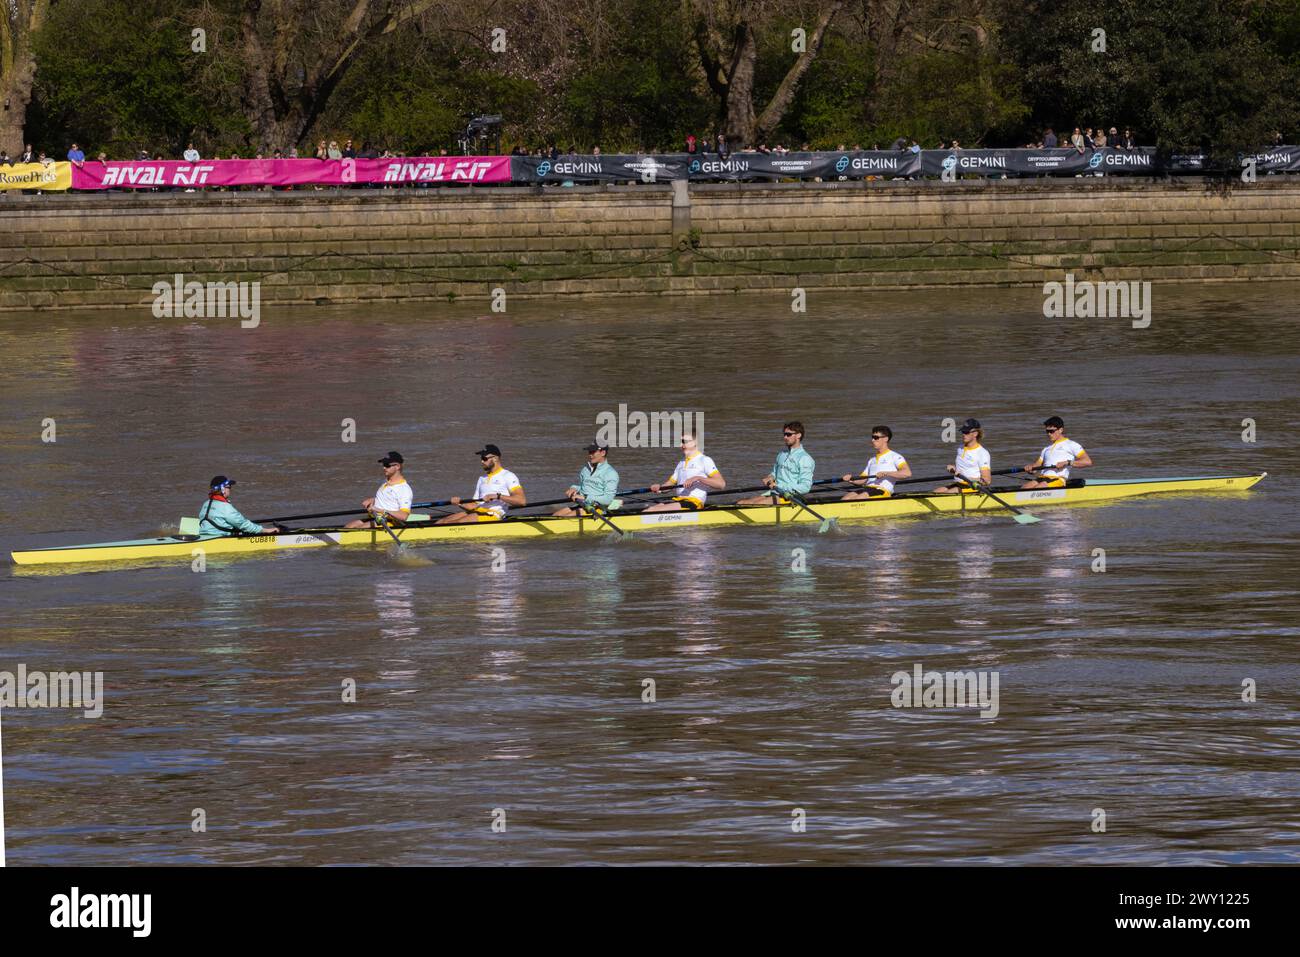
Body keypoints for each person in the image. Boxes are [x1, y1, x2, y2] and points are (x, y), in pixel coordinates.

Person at [436, 444, 526, 524]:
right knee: (443, 521)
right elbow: (474, 505)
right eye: (481, 459)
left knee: (456, 523)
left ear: (495, 458)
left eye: (484, 458)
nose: (482, 461)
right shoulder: (482, 479)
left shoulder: (508, 476)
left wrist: (497, 496)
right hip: (478, 512)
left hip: (493, 515)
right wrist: (459, 503)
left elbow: (521, 501)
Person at [737, 421, 814, 505]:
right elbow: (774, 473)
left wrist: (779, 486)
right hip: (775, 492)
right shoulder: (782, 454)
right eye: (784, 434)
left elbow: (805, 487)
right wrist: (770, 477)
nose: (785, 437)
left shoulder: (805, 458)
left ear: (799, 435)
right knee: (741, 503)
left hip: (791, 497)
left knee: (752, 506)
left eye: (788, 434)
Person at [644, 433, 725, 512]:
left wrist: (698, 478)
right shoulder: (681, 463)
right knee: (649, 510)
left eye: (683, 442)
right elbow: (669, 484)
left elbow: (721, 484)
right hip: (679, 501)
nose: (680, 445)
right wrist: (660, 488)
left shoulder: (704, 460)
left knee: (652, 511)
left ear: (695, 442)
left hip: (694, 503)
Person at [344, 451, 413, 528]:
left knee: (358, 529)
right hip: (376, 517)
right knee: (349, 526)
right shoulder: (386, 482)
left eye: (387, 465)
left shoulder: (404, 489)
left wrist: (379, 510)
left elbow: (404, 516)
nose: (384, 468)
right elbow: (388, 498)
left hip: (390, 522)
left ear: (397, 466)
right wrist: (373, 499)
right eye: (383, 465)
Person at [1021, 417, 1092, 489]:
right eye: (1047, 431)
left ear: (1060, 430)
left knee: (1040, 487)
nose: (1049, 434)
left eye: (1051, 431)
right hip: (1042, 478)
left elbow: (1087, 462)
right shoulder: (1046, 449)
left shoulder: (1071, 444)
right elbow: (1037, 466)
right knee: (1024, 487)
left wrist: (1067, 463)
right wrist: (1030, 469)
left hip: (1058, 479)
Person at [842, 425, 911, 498]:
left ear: (885, 439)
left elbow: (907, 473)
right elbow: (863, 479)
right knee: (846, 498)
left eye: (876, 438)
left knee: (858, 498)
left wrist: (886, 473)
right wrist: (851, 480)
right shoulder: (872, 460)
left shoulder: (895, 456)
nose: (872, 440)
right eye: (872, 437)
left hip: (882, 490)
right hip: (868, 489)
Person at [198, 476, 282, 536]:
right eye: (229, 487)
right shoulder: (225, 507)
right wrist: (264, 530)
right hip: (221, 540)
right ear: (222, 489)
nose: (230, 489)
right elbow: (243, 524)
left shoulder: (205, 504)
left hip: (205, 536)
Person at [553, 442, 620, 516]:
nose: (590, 455)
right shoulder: (585, 469)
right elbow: (585, 488)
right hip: (582, 505)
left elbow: (608, 499)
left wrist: (585, 497)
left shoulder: (611, 473)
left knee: (565, 518)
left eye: (593, 452)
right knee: (555, 516)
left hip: (598, 508)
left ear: (603, 453)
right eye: (589, 452)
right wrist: (574, 488)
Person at [934, 419, 992, 493]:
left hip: (972, 486)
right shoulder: (960, 448)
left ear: (975, 433)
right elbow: (965, 468)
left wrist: (967, 478)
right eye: (963, 432)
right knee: (935, 492)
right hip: (958, 484)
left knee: (946, 494)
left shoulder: (982, 453)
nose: (963, 434)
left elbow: (987, 480)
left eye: (966, 432)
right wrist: (953, 468)